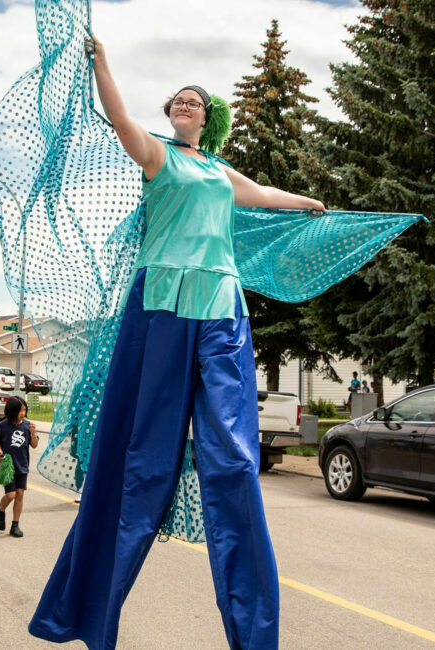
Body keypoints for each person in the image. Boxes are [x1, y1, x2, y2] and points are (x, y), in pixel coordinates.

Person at [29, 35, 324, 650]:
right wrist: (103, 64)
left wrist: (306, 204)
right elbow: (118, 118)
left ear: (208, 117)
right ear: (170, 113)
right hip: (161, 307)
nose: (186, 104)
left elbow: (262, 196)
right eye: (179, 100)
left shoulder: (217, 169)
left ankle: (254, 636)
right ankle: (86, 614)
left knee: (234, 460)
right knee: (142, 462)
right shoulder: (156, 154)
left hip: (221, 308)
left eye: (196, 101)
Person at [0, 396, 38, 538]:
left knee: (20, 494)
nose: (23, 413)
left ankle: (15, 525)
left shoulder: (28, 425)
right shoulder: (2, 425)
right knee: (10, 495)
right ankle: (0, 510)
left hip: (23, 465)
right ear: (12, 411)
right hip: (8, 466)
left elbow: (34, 445)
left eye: (24, 410)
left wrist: (33, 433)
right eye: (20, 410)